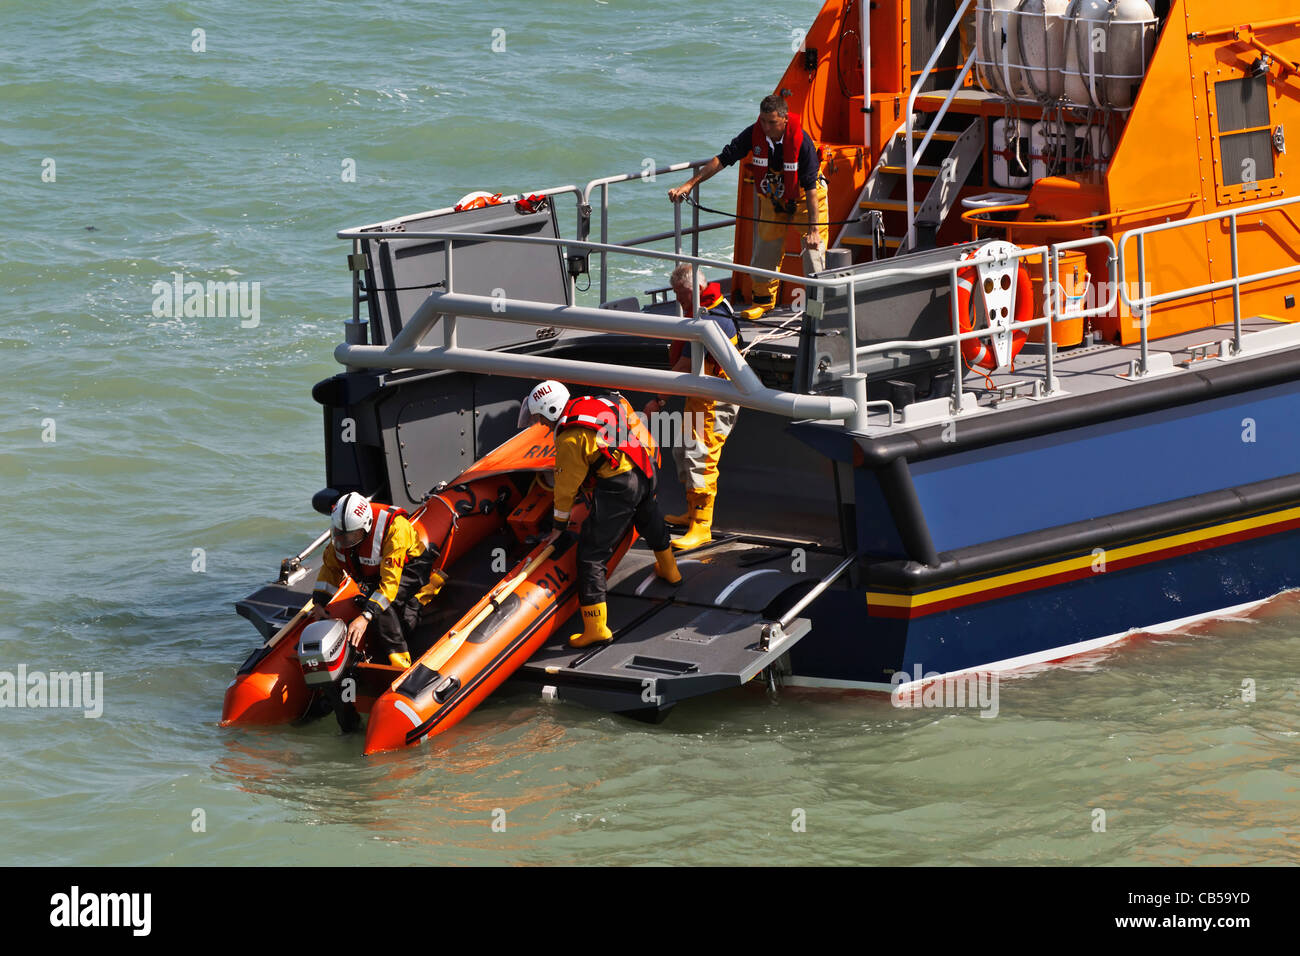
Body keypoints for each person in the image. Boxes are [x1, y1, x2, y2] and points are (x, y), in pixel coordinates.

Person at [518, 379, 681, 648]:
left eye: (539, 418)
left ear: (550, 410)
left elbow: (566, 487)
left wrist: (559, 526)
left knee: (591, 556)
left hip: (619, 485)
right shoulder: (596, 402)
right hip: (644, 468)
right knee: (648, 518)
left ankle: (596, 628)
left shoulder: (570, 437)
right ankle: (670, 570)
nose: (540, 424)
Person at [667, 94, 829, 319]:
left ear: (784, 120)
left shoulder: (803, 143)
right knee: (764, 251)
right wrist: (689, 185)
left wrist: (813, 230)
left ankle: (817, 311)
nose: (766, 126)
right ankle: (763, 303)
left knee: (814, 253)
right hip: (775, 198)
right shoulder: (753, 135)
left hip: (806, 198)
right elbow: (722, 159)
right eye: (762, 121)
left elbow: (811, 190)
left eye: (771, 122)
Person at [644, 263, 740, 550]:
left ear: (697, 289)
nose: (678, 299)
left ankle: (702, 525)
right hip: (699, 395)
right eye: (675, 293)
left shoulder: (714, 320)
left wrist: (658, 400)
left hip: (714, 400)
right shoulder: (703, 310)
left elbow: (685, 365)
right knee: (683, 451)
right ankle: (691, 512)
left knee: (702, 457)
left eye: (681, 293)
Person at [310, 491, 443, 670]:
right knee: (382, 608)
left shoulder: (394, 528)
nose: (344, 540)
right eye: (340, 534)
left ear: (366, 526)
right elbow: (330, 569)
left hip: (411, 568)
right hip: (376, 574)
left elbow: (389, 584)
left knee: (382, 607)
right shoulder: (343, 538)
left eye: (351, 536)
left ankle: (401, 662)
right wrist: (319, 603)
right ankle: (415, 601)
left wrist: (366, 616)